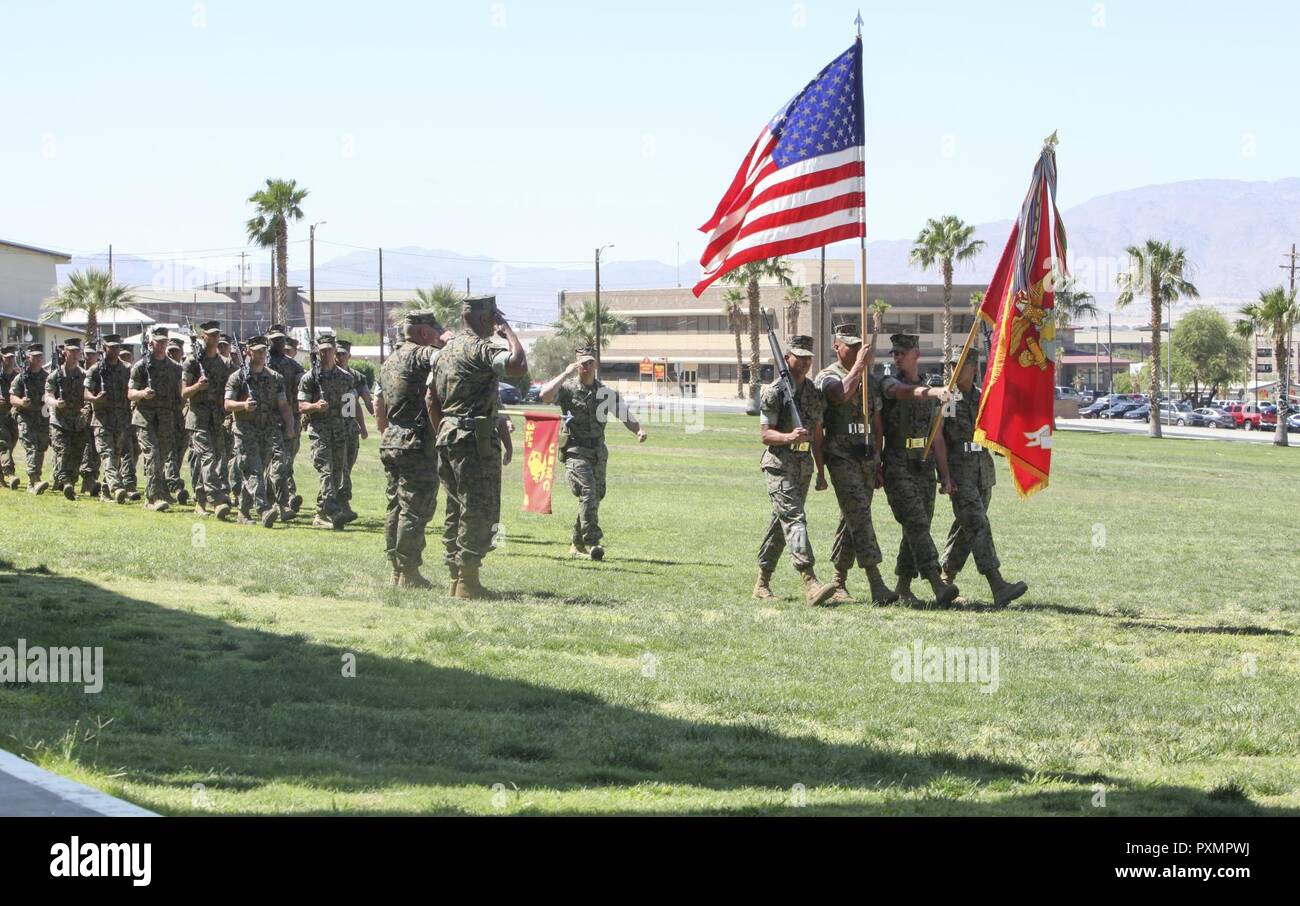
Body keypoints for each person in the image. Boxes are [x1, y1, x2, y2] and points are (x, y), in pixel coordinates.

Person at [429, 295, 526, 599]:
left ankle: (456, 576)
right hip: (473, 441)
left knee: (456, 508)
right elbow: (517, 365)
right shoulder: (479, 348)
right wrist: (508, 330)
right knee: (477, 509)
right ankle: (468, 582)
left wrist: (443, 430)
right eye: (494, 317)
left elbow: (430, 399)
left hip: (448, 435)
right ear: (487, 318)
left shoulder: (445, 352)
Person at [813, 324, 897, 605]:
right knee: (860, 516)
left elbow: (876, 423)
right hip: (841, 455)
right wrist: (858, 368)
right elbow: (840, 395)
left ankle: (838, 581)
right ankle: (877, 583)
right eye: (851, 345)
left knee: (851, 519)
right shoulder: (827, 376)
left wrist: (878, 459)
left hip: (866, 457)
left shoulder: (871, 381)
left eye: (860, 344)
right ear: (837, 347)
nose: (859, 349)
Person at [538, 344, 647, 560]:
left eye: (589, 362)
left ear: (595, 364)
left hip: (598, 450)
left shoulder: (605, 392)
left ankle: (576, 545)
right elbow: (545, 395)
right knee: (587, 492)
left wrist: (638, 430)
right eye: (582, 363)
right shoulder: (568, 389)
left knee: (596, 496)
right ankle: (593, 541)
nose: (586, 367)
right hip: (575, 450)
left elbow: (624, 414)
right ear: (576, 364)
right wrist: (565, 373)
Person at [939, 350, 1028, 607]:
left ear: (973, 368)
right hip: (960, 472)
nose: (955, 369)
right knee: (978, 524)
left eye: (960, 365)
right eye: (952, 365)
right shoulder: (948, 398)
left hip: (983, 471)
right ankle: (996, 583)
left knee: (966, 528)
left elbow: (998, 432)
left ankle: (945, 578)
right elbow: (939, 439)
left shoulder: (984, 398)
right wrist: (944, 475)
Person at [753, 334, 836, 607]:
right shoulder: (774, 392)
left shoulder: (813, 393)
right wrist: (790, 437)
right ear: (787, 357)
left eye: (808, 358)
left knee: (782, 523)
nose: (804, 362)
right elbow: (766, 436)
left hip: (804, 467)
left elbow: (819, 437)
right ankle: (810, 581)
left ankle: (762, 582)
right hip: (779, 465)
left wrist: (822, 473)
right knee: (795, 518)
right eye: (798, 357)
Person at [879, 334, 960, 607]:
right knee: (915, 521)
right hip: (897, 463)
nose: (897, 357)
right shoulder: (888, 381)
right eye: (894, 353)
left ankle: (902, 586)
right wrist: (936, 393)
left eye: (902, 352)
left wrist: (945, 475)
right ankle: (936, 582)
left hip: (922, 465)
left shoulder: (927, 388)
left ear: (917, 353)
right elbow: (904, 393)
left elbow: (935, 436)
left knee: (917, 527)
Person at [376, 312, 449, 587]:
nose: (438, 334)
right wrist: (450, 342)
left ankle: (397, 569)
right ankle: (408, 572)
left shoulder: (389, 360)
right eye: (435, 330)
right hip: (416, 442)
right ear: (424, 333)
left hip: (392, 438)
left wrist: (384, 430)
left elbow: (378, 403)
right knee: (415, 508)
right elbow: (445, 359)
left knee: (395, 505)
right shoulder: (420, 355)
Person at [224, 335, 296, 527]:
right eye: (257, 351)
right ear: (248, 352)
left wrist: (290, 426)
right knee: (253, 469)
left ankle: (243, 512)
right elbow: (227, 404)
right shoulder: (237, 377)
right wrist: (243, 405)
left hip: (267, 430)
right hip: (245, 430)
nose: (262, 354)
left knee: (256, 470)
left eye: (264, 350)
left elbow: (283, 405)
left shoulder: (275, 378)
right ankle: (264, 509)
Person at [297, 335, 353, 530]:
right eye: (323, 351)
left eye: (330, 350)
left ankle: (320, 514)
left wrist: (350, 428)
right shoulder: (310, 377)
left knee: (337, 474)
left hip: (340, 432)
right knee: (326, 471)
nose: (327, 354)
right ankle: (333, 510)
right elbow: (301, 406)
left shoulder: (346, 377)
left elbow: (349, 407)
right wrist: (315, 406)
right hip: (319, 432)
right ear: (318, 352)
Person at [128, 327, 184, 511]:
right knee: (152, 454)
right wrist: (143, 393)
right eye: (157, 341)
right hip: (145, 417)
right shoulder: (141, 365)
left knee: (161, 456)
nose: (160, 345)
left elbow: (180, 395)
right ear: (151, 342)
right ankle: (153, 498)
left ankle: (159, 489)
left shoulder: (175, 368)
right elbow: (130, 393)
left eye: (163, 341)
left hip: (166, 418)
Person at [181, 321, 234, 519]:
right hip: (198, 418)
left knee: (211, 460)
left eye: (217, 335)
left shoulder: (223, 363)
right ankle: (216, 499)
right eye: (211, 335)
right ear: (203, 337)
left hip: (216, 418)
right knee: (207, 458)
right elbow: (184, 393)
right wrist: (197, 387)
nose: (215, 338)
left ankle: (200, 501)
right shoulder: (192, 362)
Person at [84, 334, 133, 504]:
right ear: (104, 349)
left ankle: (105, 492)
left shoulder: (126, 369)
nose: (114, 350)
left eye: (117, 347)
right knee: (107, 454)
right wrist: (96, 399)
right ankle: (117, 487)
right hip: (102, 420)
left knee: (116, 456)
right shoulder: (96, 369)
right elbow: (86, 393)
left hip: (121, 420)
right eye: (111, 347)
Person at [44, 338, 91, 500]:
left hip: (78, 422)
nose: (75, 354)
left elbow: (88, 396)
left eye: (77, 351)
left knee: (78, 454)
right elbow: (48, 396)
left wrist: (85, 410)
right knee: (63, 451)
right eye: (71, 351)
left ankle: (69, 480)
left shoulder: (83, 375)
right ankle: (67, 483)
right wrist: (56, 402)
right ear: (65, 353)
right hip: (59, 422)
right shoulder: (56, 375)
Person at [267, 325, 305, 519]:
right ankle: (279, 503)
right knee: (278, 462)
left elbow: (304, 380)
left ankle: (272, 497)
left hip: (291, 418)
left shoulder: (292, 364)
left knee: (285, 462)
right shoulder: (263, 363)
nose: (279, 343)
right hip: (269, 420)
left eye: (281, 339)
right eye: (275, 340)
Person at [335, 338, 372, 524]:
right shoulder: (329, 374)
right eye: (338, 353)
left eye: (343, 354)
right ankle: (341, 505)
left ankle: (339, 503)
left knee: (347, 466)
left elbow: (362, 401)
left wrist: (364, 426)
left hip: (350, 428)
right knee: (340, 468)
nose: (340, 357)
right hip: (334, 427)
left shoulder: (356, 377)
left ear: (349, 356)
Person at [9, 344, 51, 494]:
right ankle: (34, 480)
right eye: (35, 356)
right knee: (32, 446)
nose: (39, 358)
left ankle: (32, 482)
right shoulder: (21, 377)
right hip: (25, 417)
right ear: (28, 358)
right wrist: (21, 402)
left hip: (42, 417)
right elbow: (12, 397)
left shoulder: (47, 377)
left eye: (40, 356)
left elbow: (52, 394)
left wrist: (47, 399)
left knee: (41, 447)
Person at [77, 342, 102, 496]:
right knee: (84, 450)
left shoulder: (100, 372)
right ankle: (84, 482)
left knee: (95, 450)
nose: (89, 356)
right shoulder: (78, 372)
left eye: (92, 354)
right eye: (87, 353)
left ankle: (90, 481)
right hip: (79, 417)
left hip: (96, 416)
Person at [0, 346, 19, 489]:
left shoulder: (17, 376)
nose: (11, 360)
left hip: (13, 416)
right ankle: (10, 474)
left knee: (10, 444)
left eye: (12, 357)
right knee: (4, 443)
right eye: (8, 358)